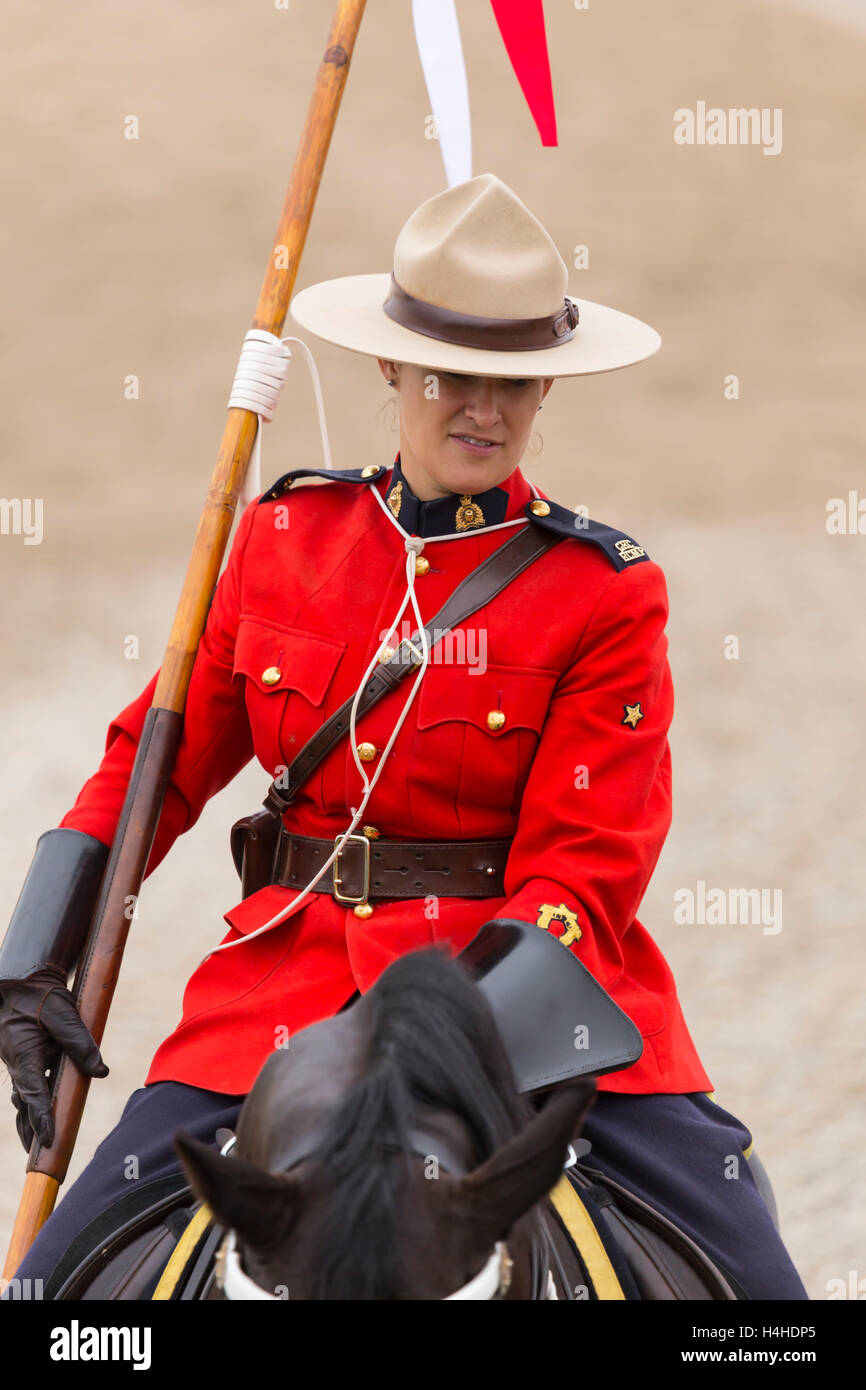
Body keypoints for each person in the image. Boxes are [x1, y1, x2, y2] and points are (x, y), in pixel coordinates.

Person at [0, 173, 807, 1299]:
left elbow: (588, 863)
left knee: (759, 1296)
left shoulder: (604, 593)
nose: (481, 408)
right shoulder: (284, 538)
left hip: (518, 1003)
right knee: (48, 1293)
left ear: (544, 390)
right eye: (450, 376)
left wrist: (442, 1028)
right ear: (389, 367)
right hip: (276, 1001)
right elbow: (154, 766)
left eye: (512, 381)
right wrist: (34, 953)